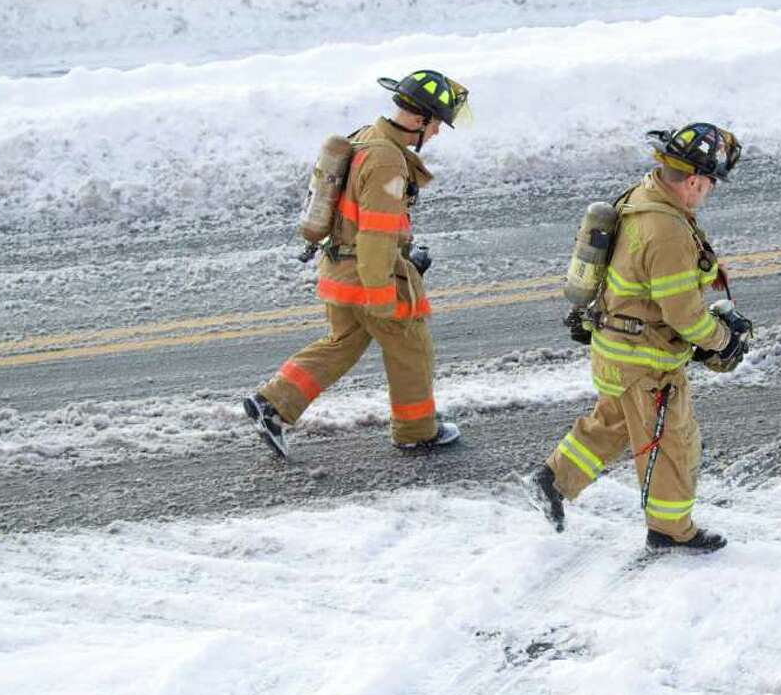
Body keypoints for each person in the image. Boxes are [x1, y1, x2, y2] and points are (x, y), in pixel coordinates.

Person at [525, 122, 751, 552]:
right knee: (671, 444)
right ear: (694, 180)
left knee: (613, 423)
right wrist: (722, 340)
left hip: (615, 348)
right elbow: (684, 316)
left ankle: (552, 481)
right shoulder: (666, 232)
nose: (709, 193)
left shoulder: (640, 196)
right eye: (710, 185)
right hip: (647, 361)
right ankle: (670, 530)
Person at [244, 70, 470, 458]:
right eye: (436, 126)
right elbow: (376, 234)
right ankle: (417, 431)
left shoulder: (366, 136)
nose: (435, 134)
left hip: (338, 272)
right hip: (366, 277)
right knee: (411, 348)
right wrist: (383, 295)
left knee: (342, 344)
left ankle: (273, 405)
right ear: (418, 121)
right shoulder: (387, 161)